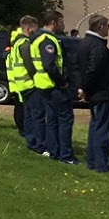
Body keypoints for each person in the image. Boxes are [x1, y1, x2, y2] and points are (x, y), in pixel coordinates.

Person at [31, 10, 76, 163]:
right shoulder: (47, 40)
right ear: (54, 22)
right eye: (61, 22)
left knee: (52, 119)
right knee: (64, 119)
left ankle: (54, 151)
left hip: (43, 84)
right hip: (53, 85)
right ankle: (66, 155)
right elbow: (49, 64)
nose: (63, 25)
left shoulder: (37, 38)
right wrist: (62, 82)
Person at [76, 15, 109, 172]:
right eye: (107, 25)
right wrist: (85, 88)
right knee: (103, 129)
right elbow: (93, 69)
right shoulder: (97, 46)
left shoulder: (84, 43)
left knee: (95, 127)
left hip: (95, 93)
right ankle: (102, 164)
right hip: (102, 93)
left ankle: (93, 161)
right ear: (100, 26)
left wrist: (84, 88)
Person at [5, 16, 38, 142]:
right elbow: (29, 65)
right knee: (28, 111)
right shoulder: (24, 44)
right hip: (27, 81)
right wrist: (37, 77)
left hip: (18, 81)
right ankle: (28, 134)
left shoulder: (16, 42)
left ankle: (25, 132)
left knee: (22, 108)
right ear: (29, 29)